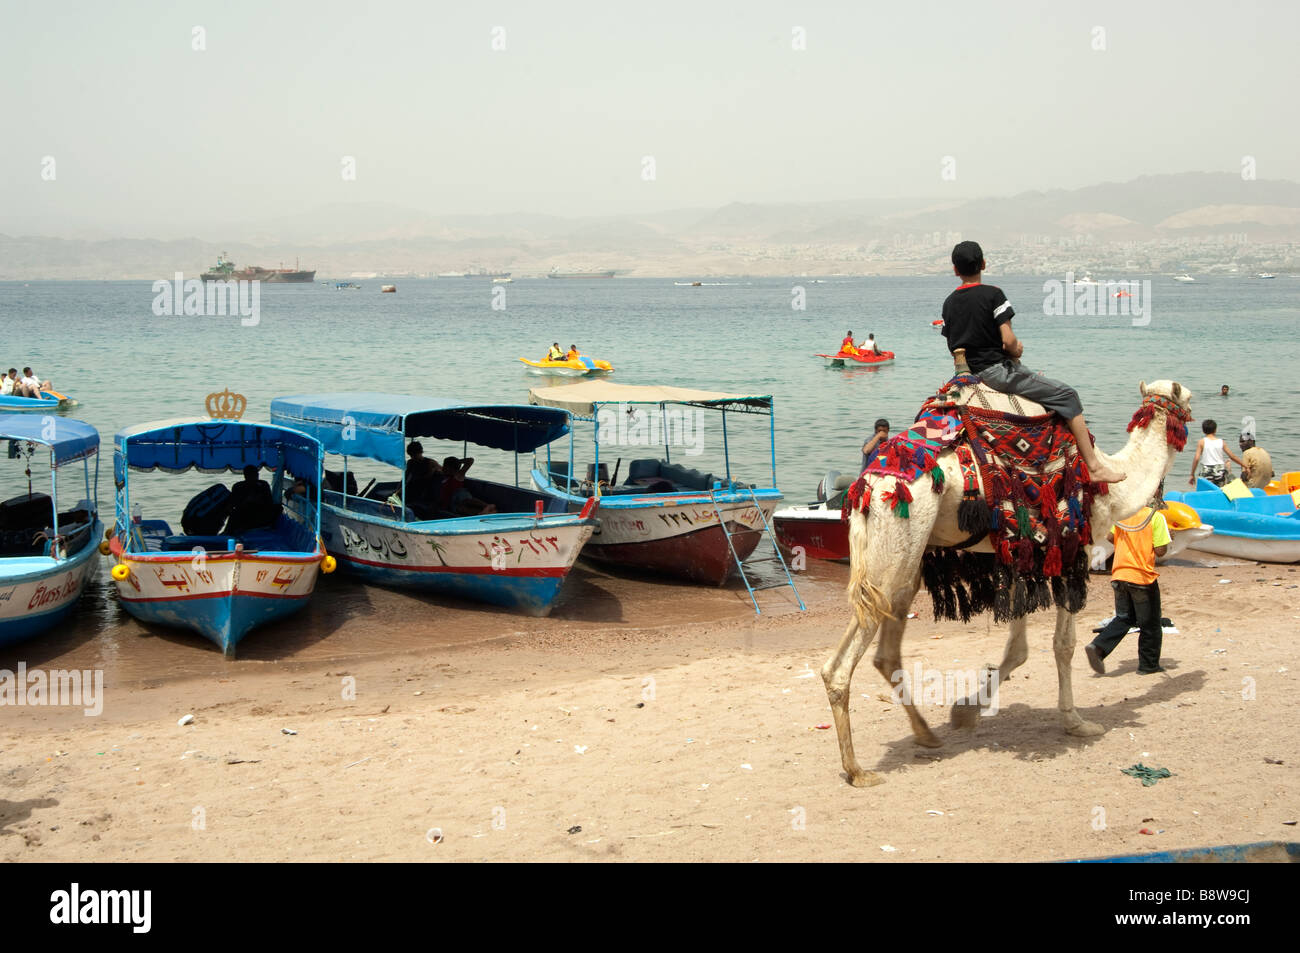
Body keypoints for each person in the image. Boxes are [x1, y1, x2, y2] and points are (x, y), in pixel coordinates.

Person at [941, 240, 1125, 483]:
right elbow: (1008, 341)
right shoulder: (994, 295)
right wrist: (1017, 350)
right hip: (996, 373)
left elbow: (952, 344)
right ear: (984, 264)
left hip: (965, 375)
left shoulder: (949, 303)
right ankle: (1094, 466)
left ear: (955, 269)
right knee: (1068, 396)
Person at [1085, 505, 1172, 676]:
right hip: (1141, 577)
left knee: (1125, 618)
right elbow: (1161, 551)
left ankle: (1099, 646)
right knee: (1151, 623)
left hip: (1119, 574)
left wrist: (1129, 540)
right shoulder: (1155, 517)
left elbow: (1110, 537)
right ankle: (1148, 665)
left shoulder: (1124, 514)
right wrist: (1168, 537)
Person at [1188, 419, 1243, 487]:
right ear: (1215, 430)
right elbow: (1232, 456)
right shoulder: (1221, 442)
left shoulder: (1201, 442)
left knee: (1205, 492)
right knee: (1219, 491)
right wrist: (1244, 465)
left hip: (1206, 471)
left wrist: (1192, 474)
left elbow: (1196, 458)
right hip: (1219, 471)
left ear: (1203, 430)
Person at [225, 464, 278, 534]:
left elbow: (269, 502)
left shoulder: (263, 485)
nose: (254, 476)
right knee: (235, 513)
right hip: (244, 515)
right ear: (245, 476)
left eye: (255, 474)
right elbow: (233, 504)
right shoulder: (238, 486)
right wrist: (246, 501)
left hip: (261, 514)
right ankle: (229, 532)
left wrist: (258, 501)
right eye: (251, 475)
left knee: (277, 508)